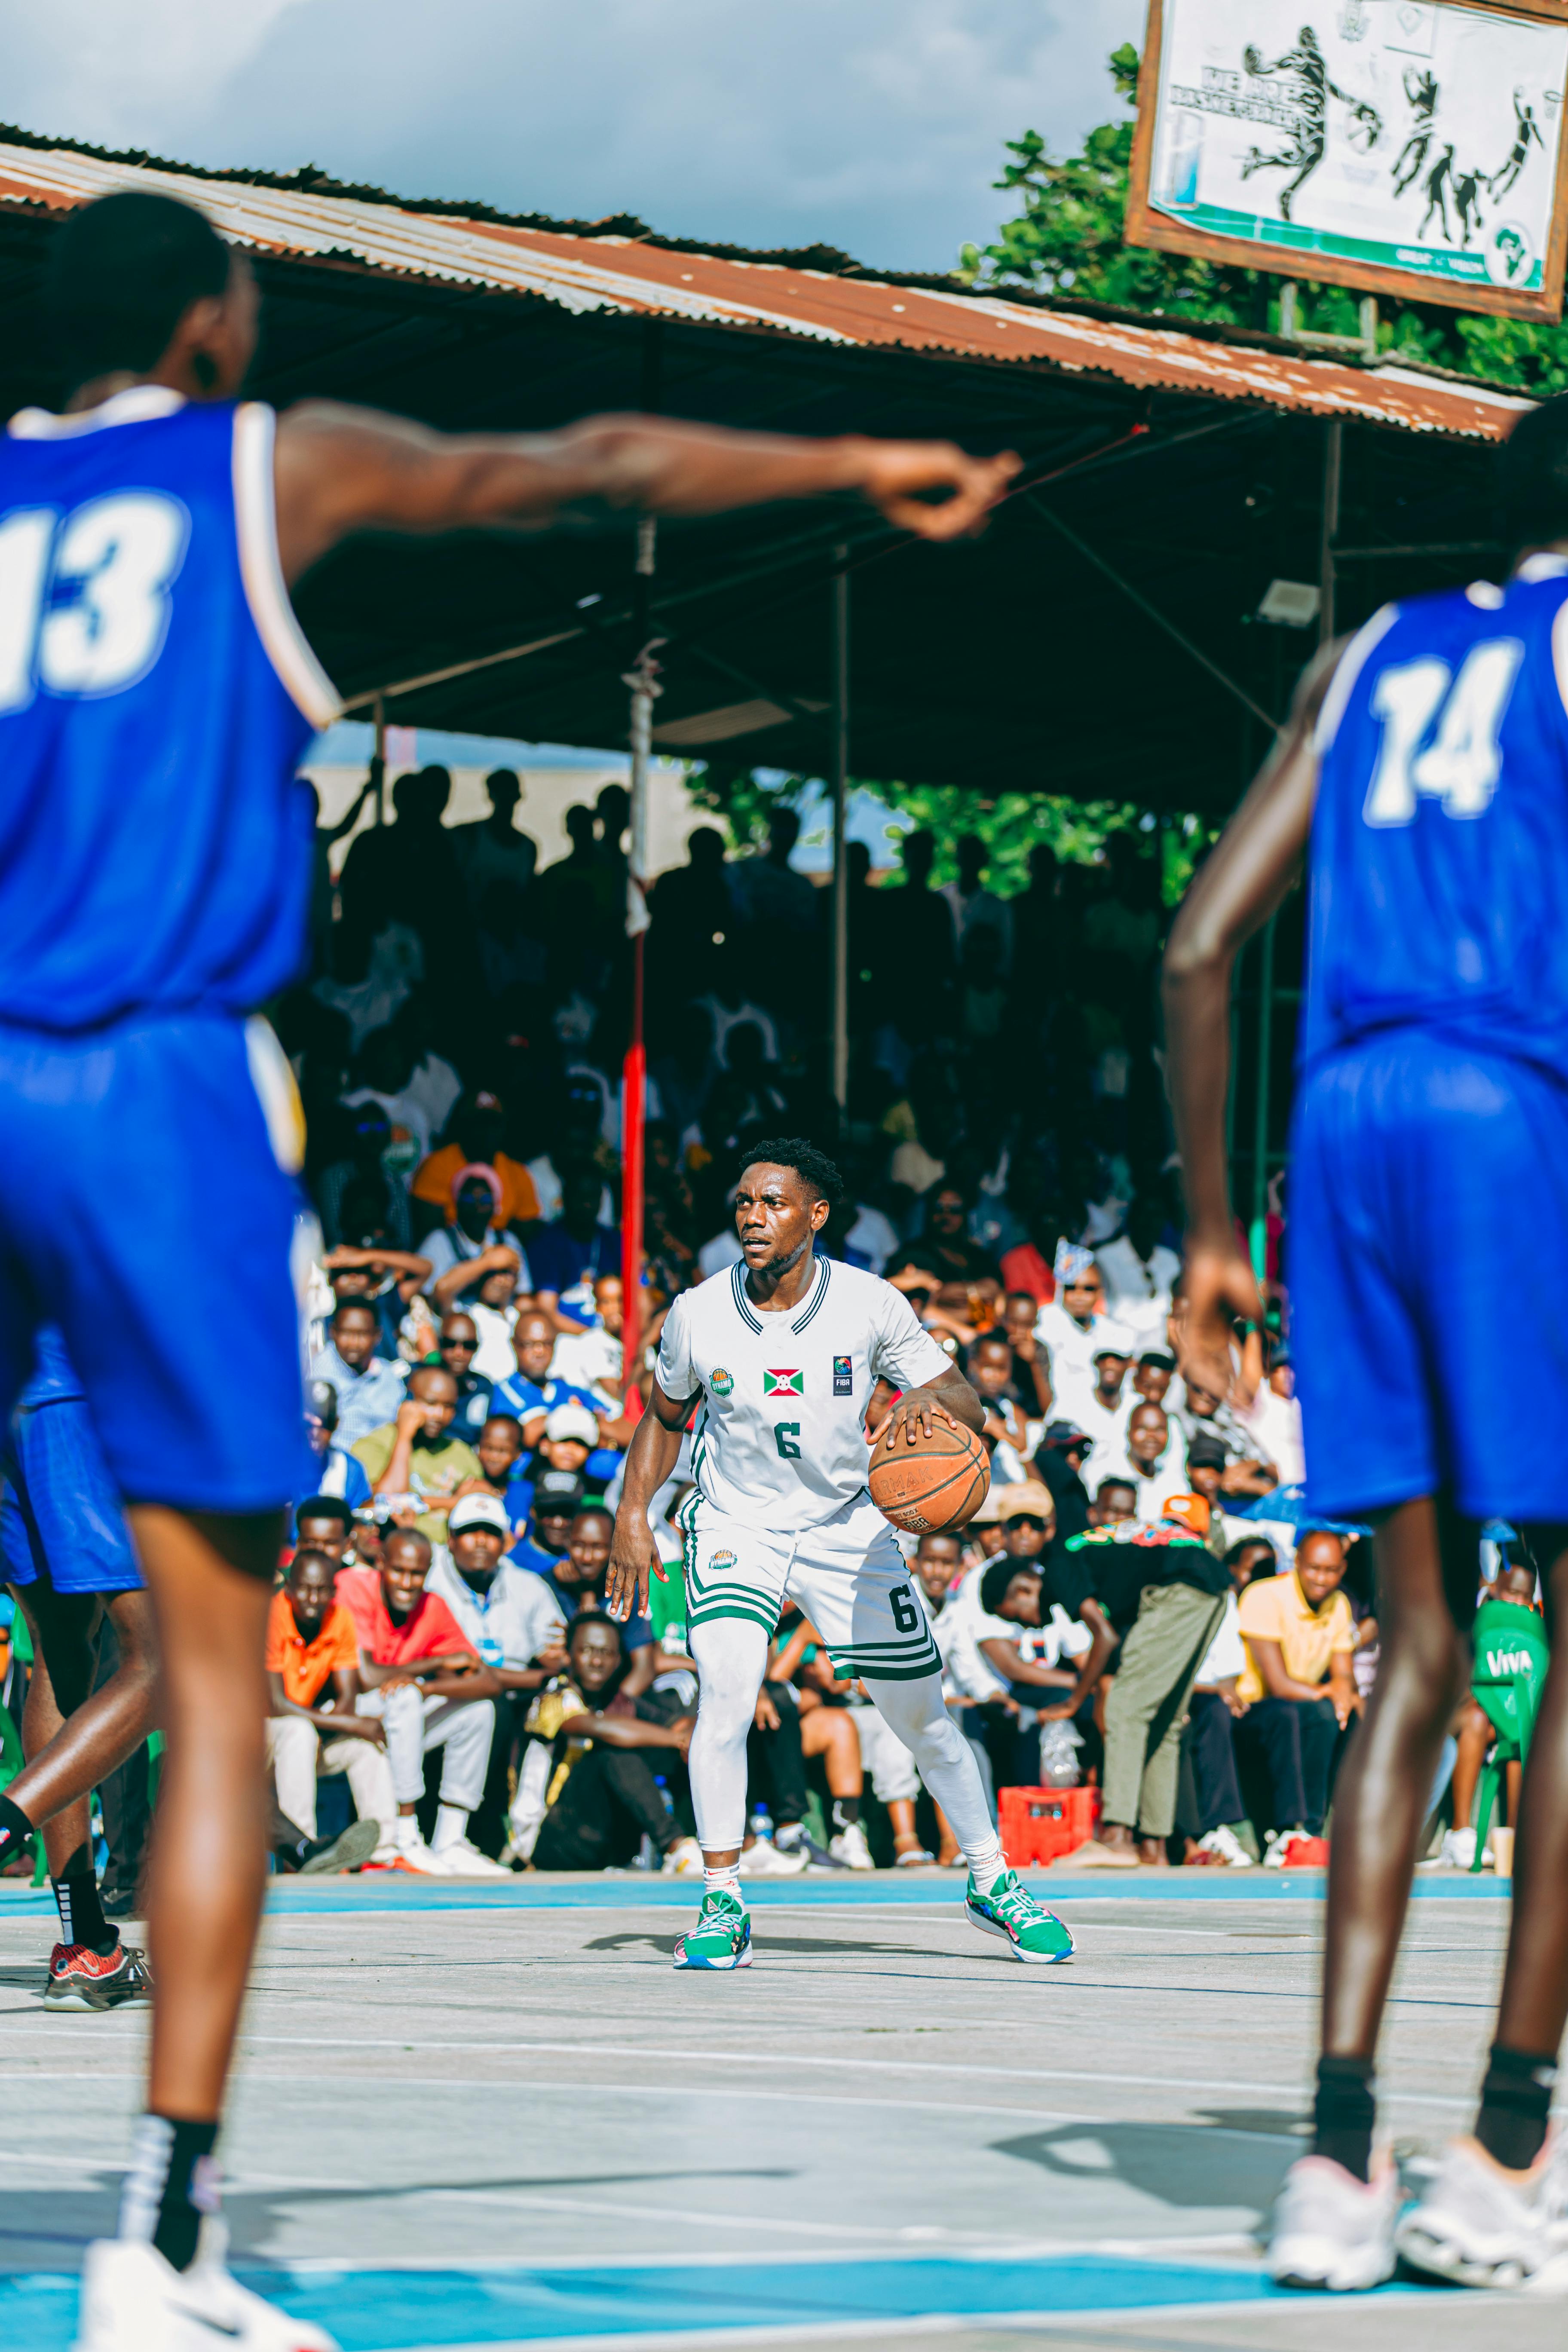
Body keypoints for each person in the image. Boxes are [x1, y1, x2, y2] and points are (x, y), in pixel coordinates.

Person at [0, 180, 1013, 2352]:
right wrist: (854, 458)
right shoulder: (256, 462)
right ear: (207, 326)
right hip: (154, 1077)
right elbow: (582, 466)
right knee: (203, 1667)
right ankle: (158, 2241)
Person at [1162, 390, 1568, 2290]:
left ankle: (1331, 2150)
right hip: (1504, 1114)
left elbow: (1192, 946)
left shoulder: (1371, 652)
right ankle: (1500, 2135)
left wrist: (1200, 1238)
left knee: (1413, 1639)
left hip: (1337, 1132)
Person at [607, 1139, 1073, 1969]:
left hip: (846, 1528)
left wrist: (917, 1407)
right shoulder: (696, 1312)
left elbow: (963, 1393)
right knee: (725, 1693)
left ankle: (990, 1878)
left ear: (815, 1214)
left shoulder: (869, 1303)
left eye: (773, 1202)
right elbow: (662, 1416)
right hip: (734, 1525)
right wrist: (630, 1515)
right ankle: (722, 1900)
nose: (753, 1215)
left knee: (923, 1719)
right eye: (745, 1201)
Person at [0, 1328, 158, 2009]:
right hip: (69, 1395)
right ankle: (7, 1822)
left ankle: (86, 1940)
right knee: (161, 1659)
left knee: (65, 1647)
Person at [335, 1529, 509, 1877]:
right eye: (399, 1570)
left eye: (417, 1573)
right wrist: (430, 1668)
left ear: (429, 1571)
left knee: (478, 1710)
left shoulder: (433, 1605)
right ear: (381, 1563)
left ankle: (450, 1839)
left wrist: (428, 1690)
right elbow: (367, 1676)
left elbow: (488, 1682)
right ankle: (405, 1834)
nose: (407, 1582)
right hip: (349, 1714)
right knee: (405, 1696)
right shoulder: (356, 1587)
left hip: (402, 1717)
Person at [517, 1613, 699, 1871]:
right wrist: (677, 1739)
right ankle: (676, 1846)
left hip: (604, 1839)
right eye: (587, 1651)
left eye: (606, 1653)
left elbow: (679, 1724)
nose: (596, 1661)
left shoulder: (619, 1701)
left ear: (618, 1661)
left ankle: (722, 1844)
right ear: (568, 1655)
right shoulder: (551, 1699)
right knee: (612, 1749)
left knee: (690, 1751)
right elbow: (596, 1726)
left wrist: (690, 1735)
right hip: (550, 1839)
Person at [264, 1547, 396, 1865]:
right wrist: (351, 1724)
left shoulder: (340, 1618)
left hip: (307, 1740)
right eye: (305, 1589)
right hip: (260, 1741)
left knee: (366, 1747)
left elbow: (347, 1696)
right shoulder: (271, 1615)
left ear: (334, 1592)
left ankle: (384, 1854)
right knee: (298, 1731)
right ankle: (303, 1853)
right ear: (289, 1588)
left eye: (322, 1590)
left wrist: (349, 1726)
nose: (313, 1598)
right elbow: (277, 1703)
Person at [1233, 1533, 1357, 1862]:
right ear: (1297, 1563)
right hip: (1250, 1712)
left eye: (1331, 1570)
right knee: (1299, 1712)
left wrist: (1345, 1695)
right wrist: (1329, 1691)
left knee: (1343, 1714)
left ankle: (1314, 1833)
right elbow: (1278, 1684)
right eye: (1314, 1568)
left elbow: (1344, 1673)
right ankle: (1288, 1831)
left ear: (1343, 1569)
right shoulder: (1264, 1596)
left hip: (1301, 1707)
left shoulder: (1339, 1604)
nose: (1322, 1578)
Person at [352, 1364, 485, 1544]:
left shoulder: (461, 1451)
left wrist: (420, 1502)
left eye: (448, 1407)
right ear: (409, 1400)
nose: (439, 1415)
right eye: (430, 1404)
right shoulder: (375, 1444)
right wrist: (404, 1437)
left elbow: (483, 1499)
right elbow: (389, 1502)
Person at [311, 1299, 408, 1451]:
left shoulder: (389, 1376)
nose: (354, 1343)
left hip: (383, 1460)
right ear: (333, 1332)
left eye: (363, 1334)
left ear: (378, 1336)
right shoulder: (318, 1375)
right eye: (346, 1333)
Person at [303, 1378, 373, 1510]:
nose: (316, 1432)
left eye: (326, 1423)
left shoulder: (350, 1468)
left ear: (336, 1424)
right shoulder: (273, 1467)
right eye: (307, 1424)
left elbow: (358, 1519)